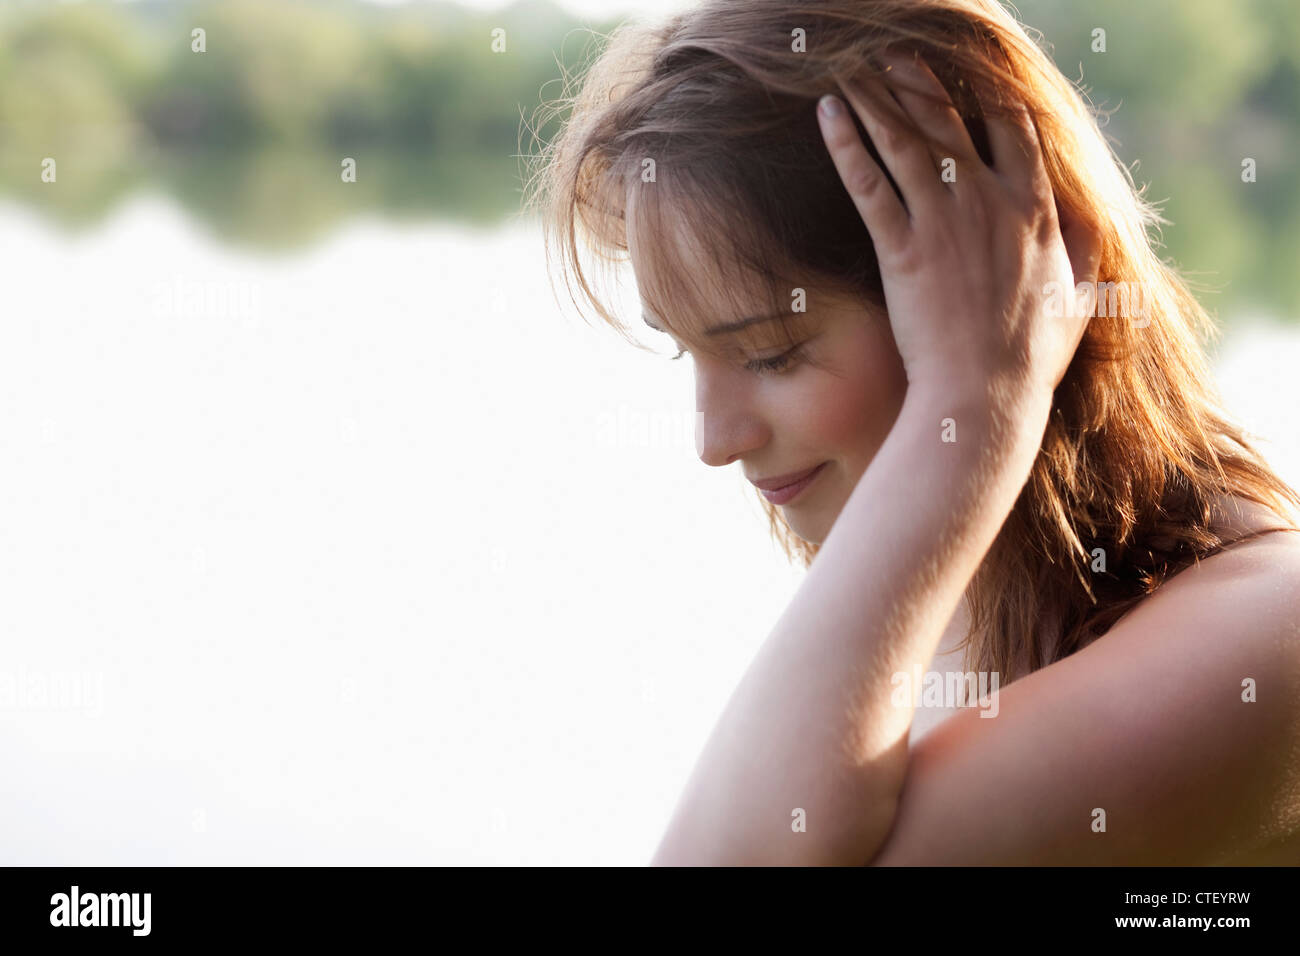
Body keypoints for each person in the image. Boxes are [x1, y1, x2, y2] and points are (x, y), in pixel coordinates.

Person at [523, 0, 1300, 864]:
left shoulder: (1266, 636)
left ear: (998, 285)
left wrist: (975, 404)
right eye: (685, 351)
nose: (714, 440)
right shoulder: (960, 595)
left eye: (772, 354)